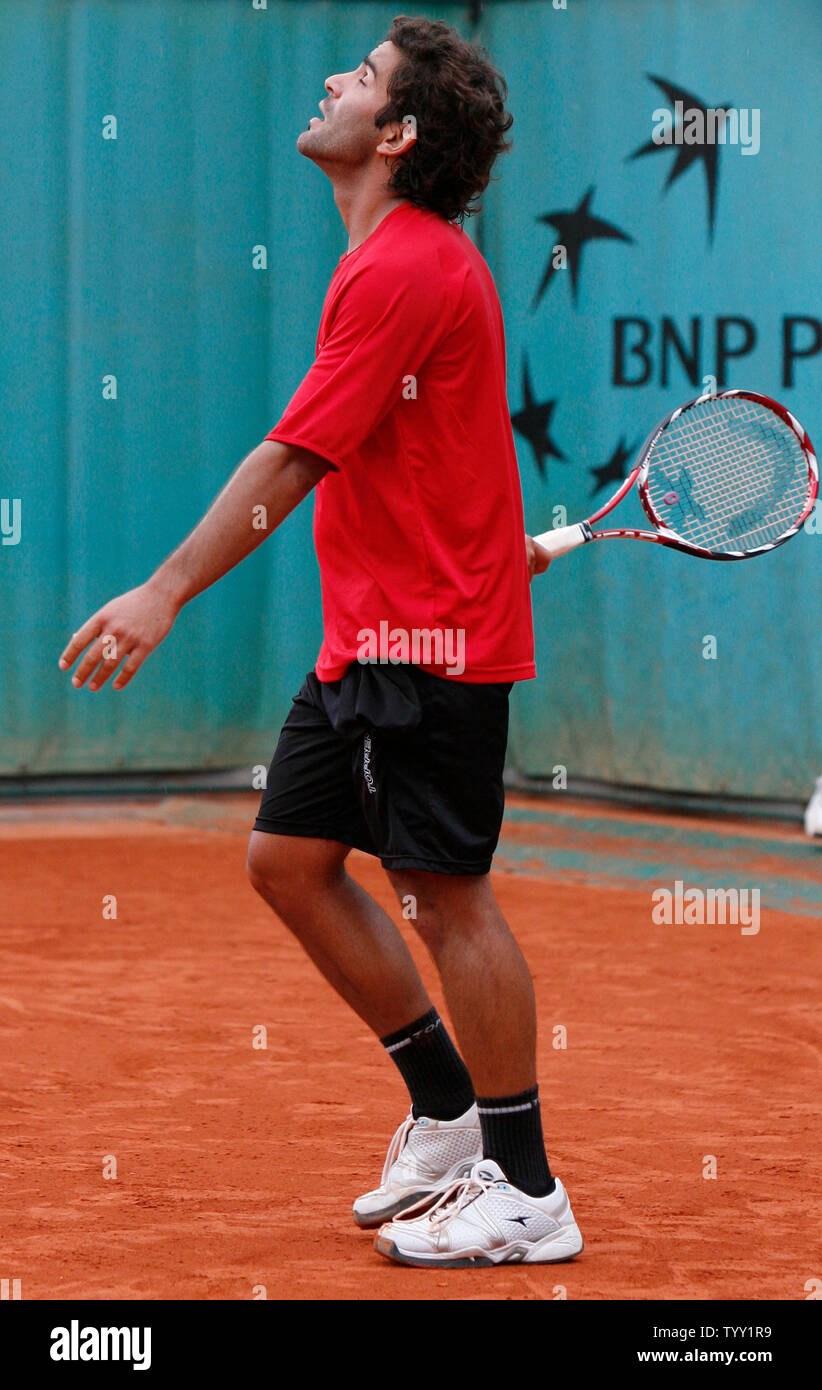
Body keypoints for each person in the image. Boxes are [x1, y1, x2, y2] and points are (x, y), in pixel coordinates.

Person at [59, 15, 581, 1268]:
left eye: (362, 79)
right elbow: (443, 447)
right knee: (290, 858)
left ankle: (528, 1187)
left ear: (395, 135)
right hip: (374, 633)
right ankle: (448, 1110)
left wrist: (166, 590)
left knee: (446, 898)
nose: (333, 81)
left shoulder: (404, 265)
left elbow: (293, 458)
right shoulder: (395, 260)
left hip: (431, 647)